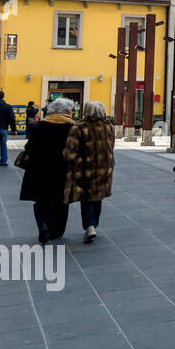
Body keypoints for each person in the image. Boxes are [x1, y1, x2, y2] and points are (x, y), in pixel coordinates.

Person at [17, 97, 77, 243]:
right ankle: (56, 230)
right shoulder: (72, 128)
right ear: (67, 111)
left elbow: (29, 147)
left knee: (41, 199)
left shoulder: (41, 125)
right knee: (61, 200)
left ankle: (43, 226)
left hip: (39, 168)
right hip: (63, 169)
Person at [62, 101, 115, 244]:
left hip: (84, 168)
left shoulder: (79, 127)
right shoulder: (108, 126)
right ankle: (94, 224)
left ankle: (90, 226)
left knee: (86, 198)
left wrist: (68, 161)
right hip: (104, 168)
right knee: (97, 196)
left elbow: (70, 152)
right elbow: (111, 147)